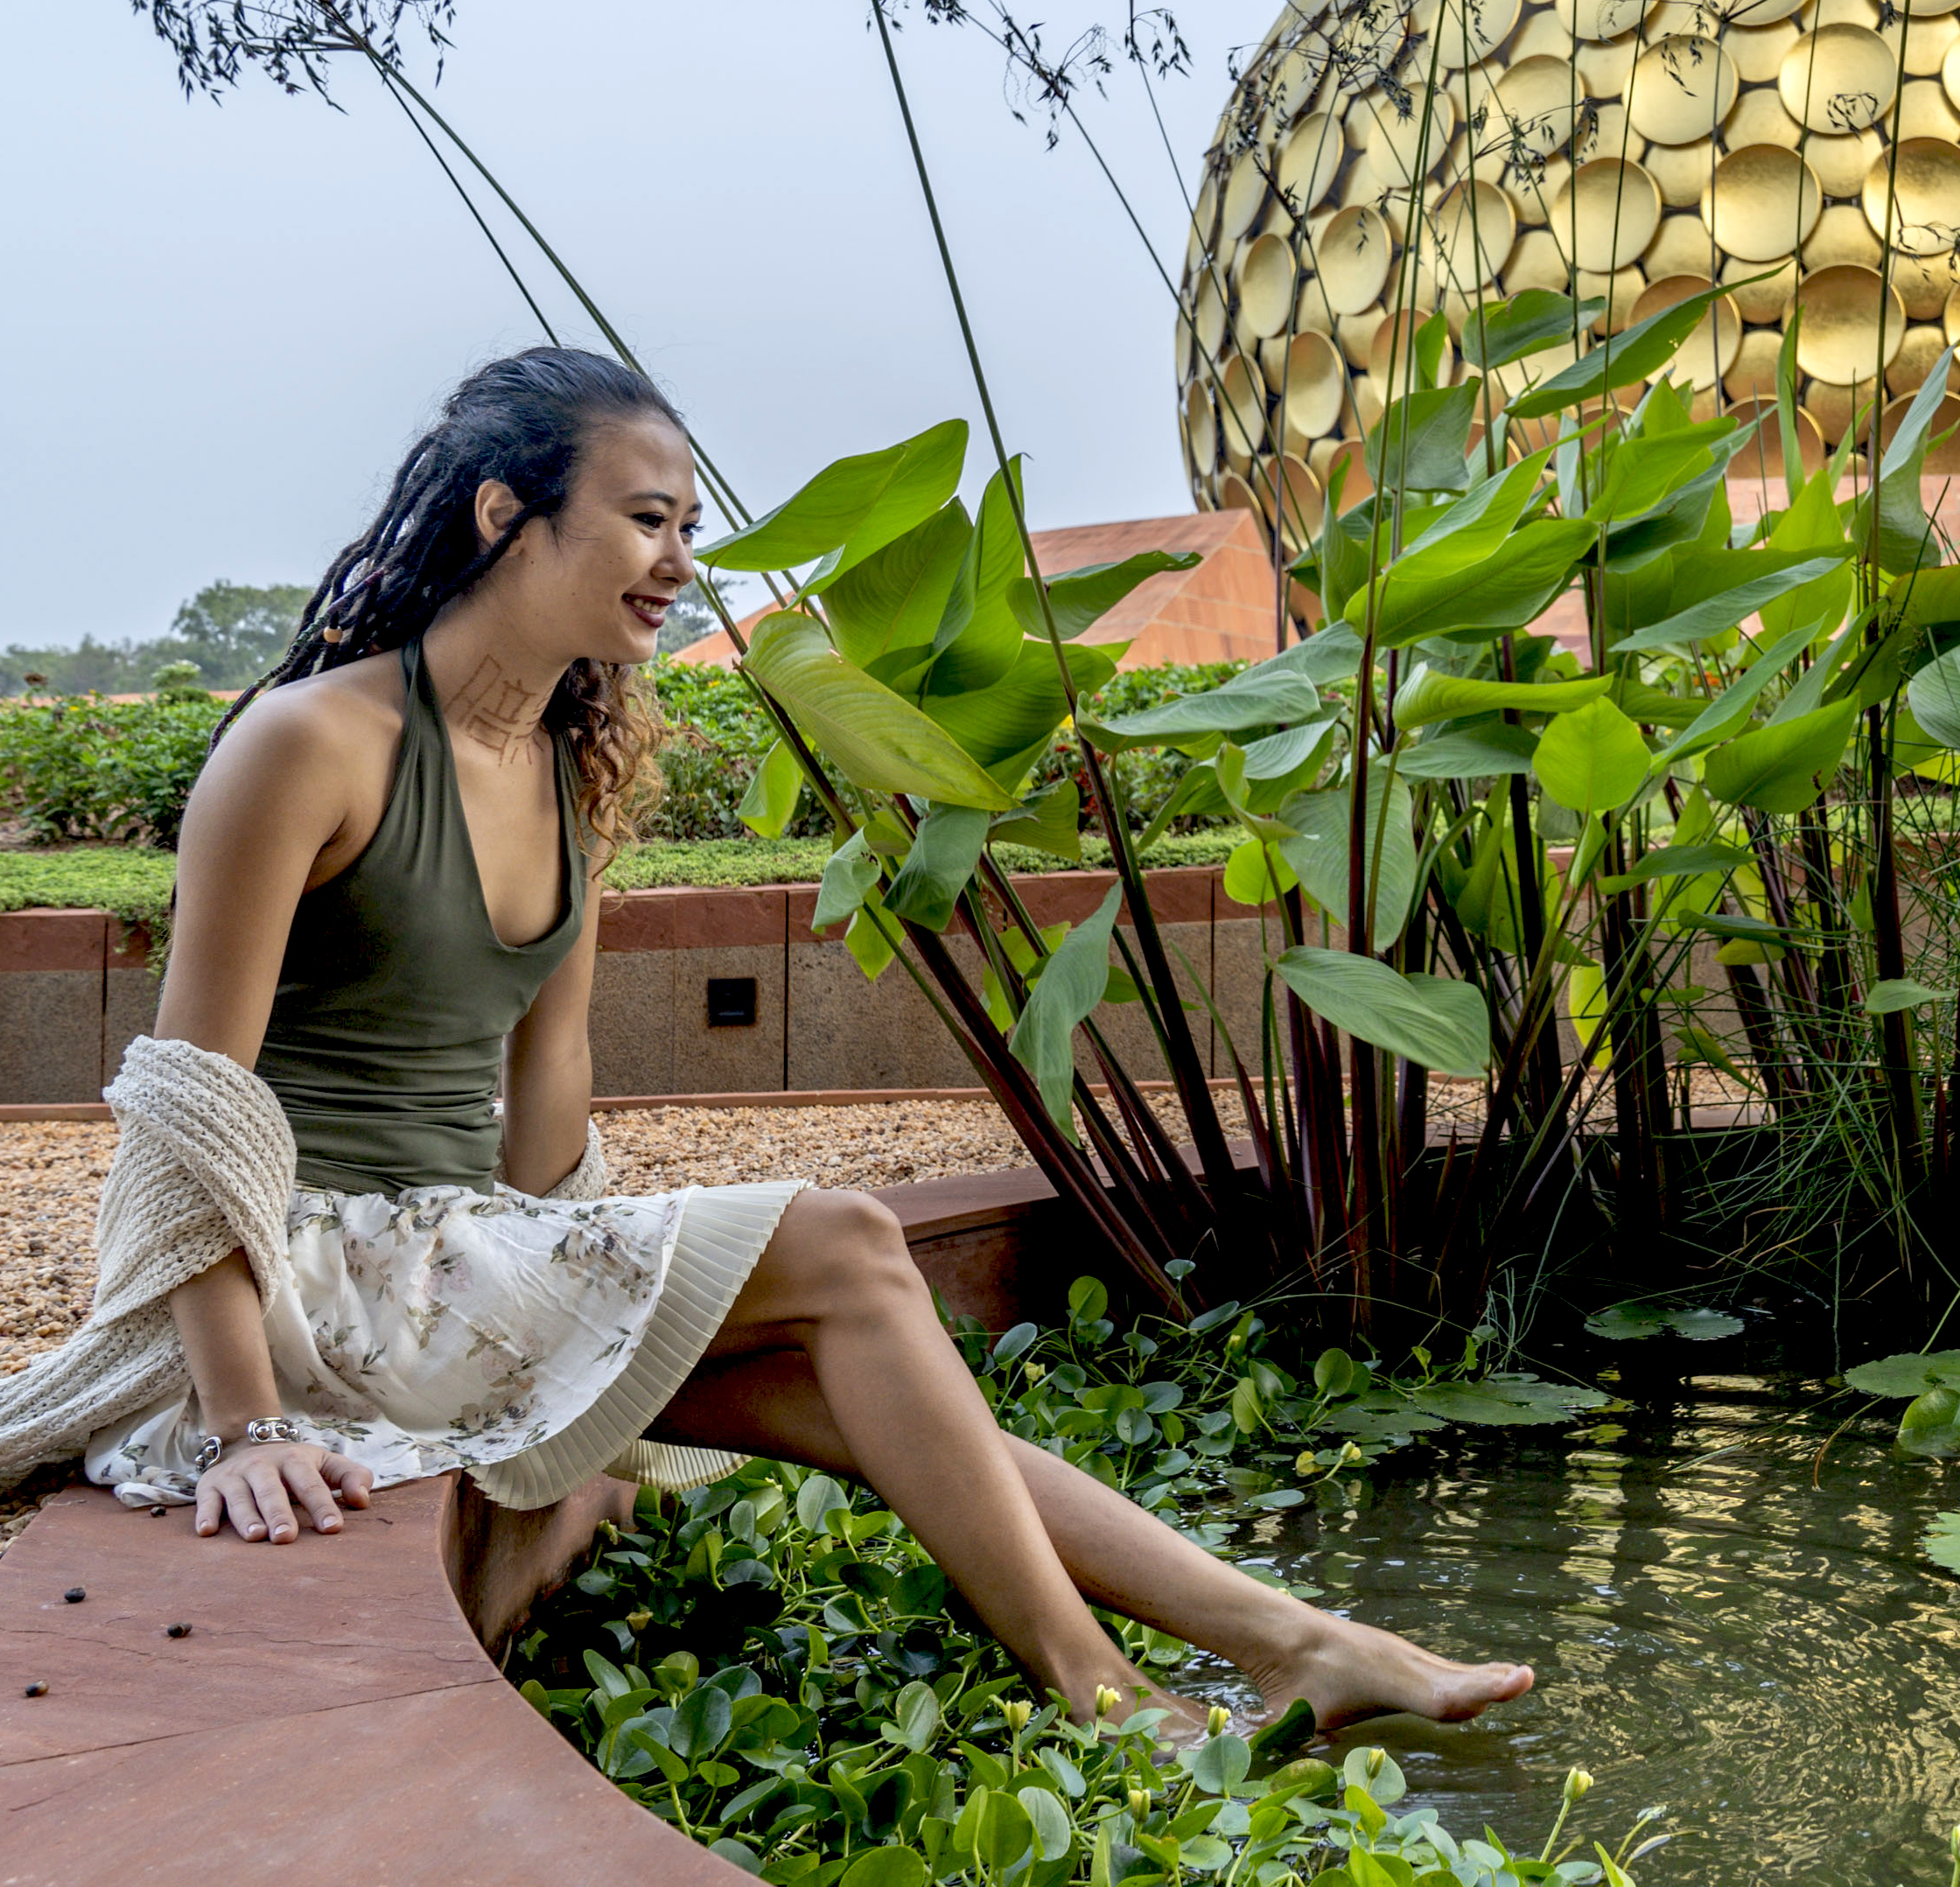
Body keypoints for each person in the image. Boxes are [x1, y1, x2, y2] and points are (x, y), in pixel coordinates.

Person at [106, 345, 1532, 1736]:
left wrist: (589, 1321)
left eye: (688, 528)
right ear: (504, 513)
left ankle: (1300, 1642)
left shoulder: (563, 774)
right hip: (315, 1272)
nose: (678, 560)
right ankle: (1108, 1698)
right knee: (848, 1242)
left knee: (848, 1387)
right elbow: (189, 1119)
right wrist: (246, 1425)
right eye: (645, 520)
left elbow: (548, 1109)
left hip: (452, 1252)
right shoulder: (308, 745)